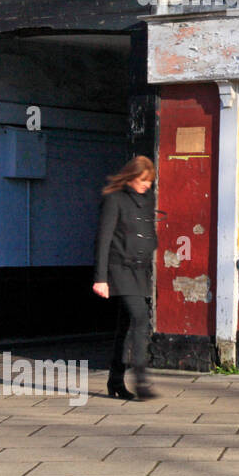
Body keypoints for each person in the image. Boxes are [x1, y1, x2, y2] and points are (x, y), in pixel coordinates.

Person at [93, 156, 159, 400]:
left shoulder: (146, 199)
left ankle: (115, 381)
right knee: (141, 317)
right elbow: (103, 240)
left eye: (150, 182)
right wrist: (100, 278)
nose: (147, 185)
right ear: (131, 176)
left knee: (124, 327)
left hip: (139, 270)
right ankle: (141, 379)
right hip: (119, 269)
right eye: (143, 180)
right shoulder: (114, 199)